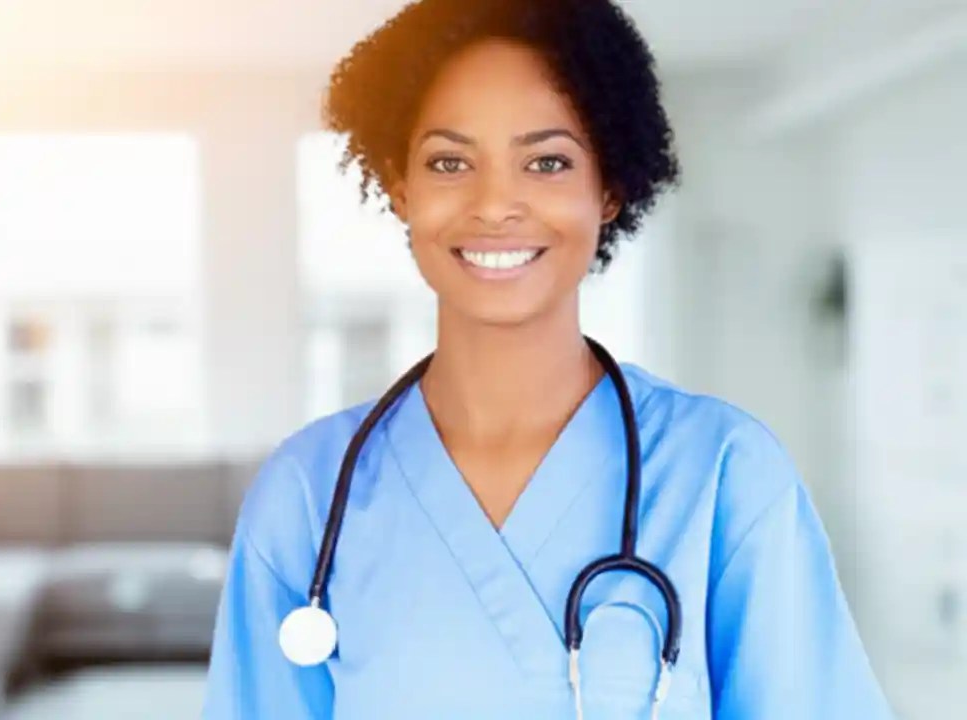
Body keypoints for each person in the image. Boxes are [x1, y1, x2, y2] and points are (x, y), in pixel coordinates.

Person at [202, 0, 893, 717]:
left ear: (610, 189)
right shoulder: (308, 496)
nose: (496, 202)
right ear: (402, 189)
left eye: (547, 162)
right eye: (449, 161)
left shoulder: (724, 473)